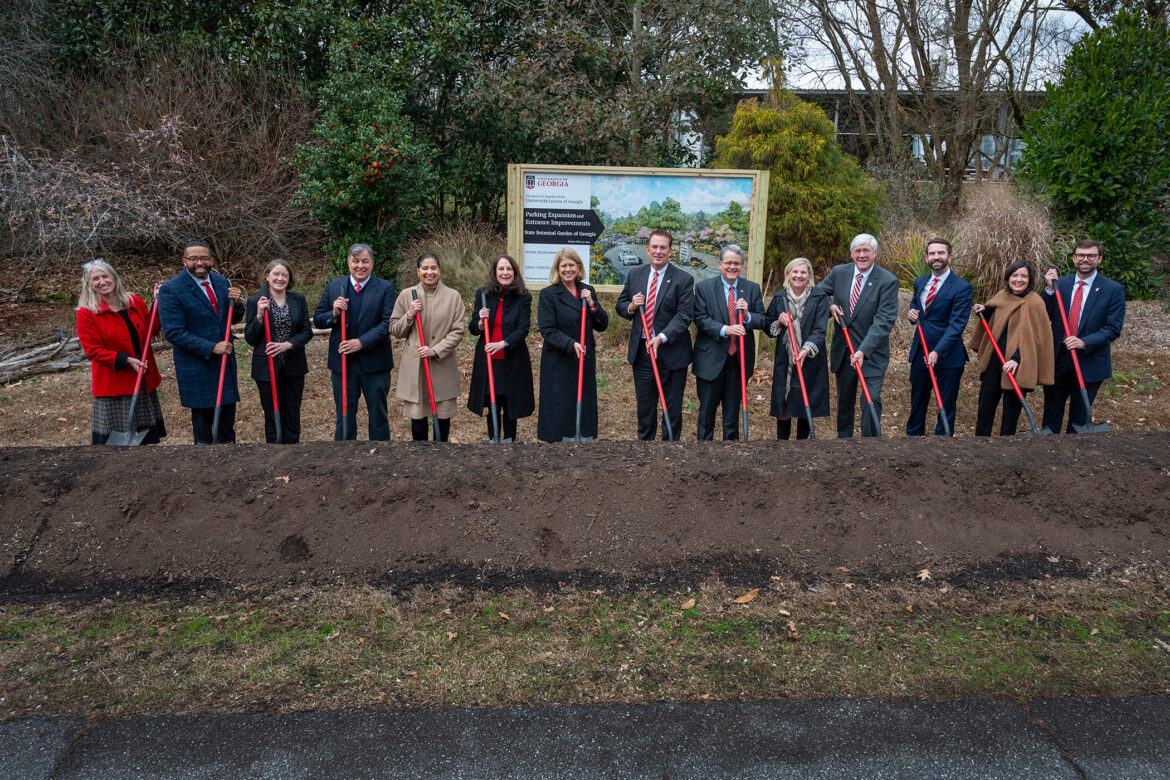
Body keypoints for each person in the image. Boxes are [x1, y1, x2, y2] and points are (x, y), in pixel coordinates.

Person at [157, 240, 244, 444]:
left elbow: (231, 318)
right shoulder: (171, 289)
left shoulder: (221, 282)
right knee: (203, 424)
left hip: (224, 362)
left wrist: (238, 304)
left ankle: (231, 462)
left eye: (204, 258)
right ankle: (204, 466)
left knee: (226, 422)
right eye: (193, 258)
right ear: (184, 261)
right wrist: (211, 347)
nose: (199, 262)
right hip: (197, 364)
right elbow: (173, 332)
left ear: (211, 260)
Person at [815, 233, 899, 437]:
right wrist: (831, 305)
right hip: (844, 352)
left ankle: (870, 445)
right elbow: (818, 294)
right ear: (852, 254)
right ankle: (845, 445)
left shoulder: (887, 281)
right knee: (845, 402)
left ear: (875, 254)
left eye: (866, 251)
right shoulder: (839, 273)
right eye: (857, 251)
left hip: (871, 353)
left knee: (871, 400)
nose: (862, 255)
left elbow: (884, 321)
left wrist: (863, 350)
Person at [75, 260, 166, 445]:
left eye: (105, 276)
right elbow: (92, 350)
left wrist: (159, 305)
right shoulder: (86, 312)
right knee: (114, 446)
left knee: (146, 440)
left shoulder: (134, 301)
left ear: (114, 278)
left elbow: (151, 330)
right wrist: (124, 360)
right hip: (114, 383)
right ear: (89, 284)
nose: (102, 281)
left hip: (142, 376)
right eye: (96, 278)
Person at [615, 228, 694, 440]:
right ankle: (645, 450)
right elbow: (621, 306)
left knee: (672, 408)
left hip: (672, 353)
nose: (658, 251)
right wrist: (631, 306)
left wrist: (661, 337)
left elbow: (684, 316)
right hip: (643, 353)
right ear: (648, 250)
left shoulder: (683, 279)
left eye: (663, 248)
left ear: (670, 251)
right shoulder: (636, 274)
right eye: (655, 247)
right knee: (645, 407)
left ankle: (669, 451)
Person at [313, 243, 396, 441]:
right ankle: (344, 456)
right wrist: (333, 313)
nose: (360, 266)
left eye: (365, 261)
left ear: (372, 264)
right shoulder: (334, 287)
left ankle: (381, 455)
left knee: (378, 415)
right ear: (348, 262)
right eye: (356, 261)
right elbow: (318, 319)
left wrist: (361, 342)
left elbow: (387, 324)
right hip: (343, 364)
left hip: (375, 363)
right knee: (344, 414)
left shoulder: (385, 288)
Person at [1041, 239, 1126, 434]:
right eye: (1080, 255)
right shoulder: (1060, 284)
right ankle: (1047, 455)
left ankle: (1074, 459)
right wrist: (1049, 290)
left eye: (1091, 256)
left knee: (1079, 419)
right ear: (1074, 258)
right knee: (1051, 413)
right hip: (1059, 358)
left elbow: (1112, 328)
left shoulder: (1113, 290)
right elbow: (1043, 316)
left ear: (1100, 259)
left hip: (1089, 360)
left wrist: (1084, 342)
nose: (1085, 259)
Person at [969, 260, 1054, 436]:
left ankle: (1007, 444)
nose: (1018, 280)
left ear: (1030, 280)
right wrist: (984, 309)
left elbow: (1036, 338)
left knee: (1011, 407)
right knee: (986, 405)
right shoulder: (1002, 296)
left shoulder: (1035, 303)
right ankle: (979, 442)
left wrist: (1017, 359)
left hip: (1018, 362)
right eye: (1015, 275)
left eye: (1024, 276)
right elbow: (994, 314)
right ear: (1008, 278)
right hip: (995, 359)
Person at [390, 252, 465, 441]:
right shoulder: (407, 295)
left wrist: (436, 350)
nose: (429, 272)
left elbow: (458, 331)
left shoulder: (453, 296)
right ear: (418, 271)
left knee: (443, 415)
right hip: (416, 366)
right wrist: (409, 315)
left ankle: (441, 456)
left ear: (439, 271)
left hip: (442, 364)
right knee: (418, 418)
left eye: (433, 268)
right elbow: (395, 330)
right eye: (425, 268)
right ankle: (420, 458)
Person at [691, 244, 764, 440]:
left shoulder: (752, 289)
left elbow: (762, 320)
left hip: (738, 360)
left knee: (732, 413)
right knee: (707, 412)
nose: (732, 267)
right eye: (728, 263)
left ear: (742, 266)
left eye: (737, 263)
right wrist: (725, 329)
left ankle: (730, 456)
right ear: (720, 264)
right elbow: (700, 319)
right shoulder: (704, 288)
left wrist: (748, 315)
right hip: (710, 360)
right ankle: (704, 452)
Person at [537, 247, 609, 442]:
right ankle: (559, 439)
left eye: (572, 265)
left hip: (584, 357)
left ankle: (583, 435)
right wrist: (571, 344)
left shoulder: (587, 291)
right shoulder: (549, 294)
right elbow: (547, 329)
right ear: (557, 269)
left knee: (583, 396)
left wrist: (592, 305)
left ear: (578, 266)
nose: (568, 269)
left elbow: (602, 325)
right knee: (560, 399)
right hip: (559, 358)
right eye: (564, 266)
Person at [905, 237, 973, 436]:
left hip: (948, 356)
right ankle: (913, 440)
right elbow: (916, 305)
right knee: (917, 401)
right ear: (927, 257)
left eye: (940, 253)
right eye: (932, 253)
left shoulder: (962, 287)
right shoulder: (920, 282)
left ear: (949, 256)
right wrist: (912, 313)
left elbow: (956, 325)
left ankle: (942, 448)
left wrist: (937, 351)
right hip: (920, 352)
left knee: (946, 404)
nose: (936, 257)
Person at [244, 260, 313, 444]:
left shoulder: (298, 299)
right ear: (267, 276)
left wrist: (288, 344)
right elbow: (250, 339)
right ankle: (274, 452)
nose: (280, 278)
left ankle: (293, 450)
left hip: (294, 366)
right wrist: (259, 315)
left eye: (284, 275)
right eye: (276, 274)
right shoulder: (255, 301)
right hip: (266, 367)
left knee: (292, 410)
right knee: (272, 411)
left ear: (289, 279)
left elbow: (307, 332)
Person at [468, 254, 535, 441]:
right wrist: (481, 322)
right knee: (493, 401)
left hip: (512, 357)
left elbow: (523, 329)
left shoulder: (524, 297)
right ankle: (494, 439)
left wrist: (503, 344)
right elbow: (473, 328)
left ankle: (510, 440)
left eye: (509, 269)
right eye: (501, 269)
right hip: (489, 359)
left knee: (509, 401)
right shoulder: (483, 294)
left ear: (514, 272)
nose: (505, 272)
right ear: (495, 272)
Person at [764, 257, 830, 440]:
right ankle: (782, 446)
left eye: (803, 272)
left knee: (804, 398)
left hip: (809, 358)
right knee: (783, 401)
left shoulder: (820, 298)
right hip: (786, 358)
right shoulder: (779, 298)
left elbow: (820, 329)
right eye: (795, 271)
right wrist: (778, 321)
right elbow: (768, 325)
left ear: (809, 276)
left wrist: (805, 350)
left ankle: (802, 447)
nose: (798, 276)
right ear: (788, 274)